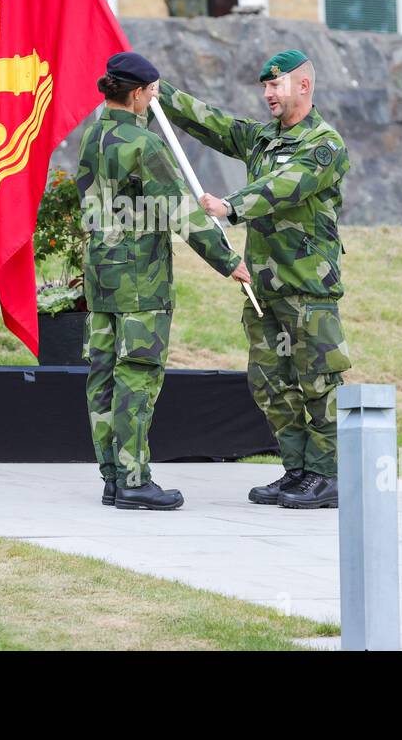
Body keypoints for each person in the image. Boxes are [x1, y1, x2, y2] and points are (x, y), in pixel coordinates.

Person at [158, 50, 351, 509]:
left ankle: (328, 475)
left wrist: (232, 206)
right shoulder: (262, 139)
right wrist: (157, 89)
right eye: (265, 87)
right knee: (270, 382)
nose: (267, 94)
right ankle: (297, 470)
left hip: (308, 287)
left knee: (318, 382)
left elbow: (286, 186)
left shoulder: (324, 145)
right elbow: (212, 123)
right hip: (263, 287)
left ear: (303, 86)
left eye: (276, 85)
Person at [78, 51, 251, 510]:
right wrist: (227, 260)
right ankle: (135, 480)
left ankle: (114, 477)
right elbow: (182, 212)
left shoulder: (92, 135)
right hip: (141, 283)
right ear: (136, 94)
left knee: (102, 377)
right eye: (153, 92)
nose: (156, 99)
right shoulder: (145, 147)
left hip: (100, 279)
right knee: (137, 376)